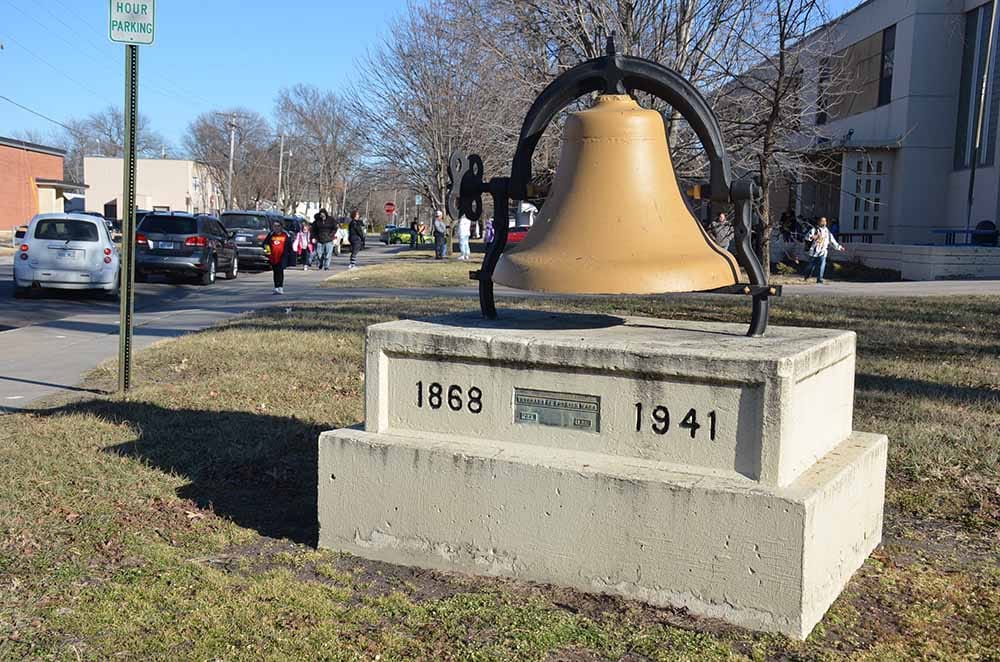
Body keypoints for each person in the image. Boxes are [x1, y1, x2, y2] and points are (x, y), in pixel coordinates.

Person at [803, 216, 845, 283]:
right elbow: (807, 237)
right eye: (822, 221)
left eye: (825, 221)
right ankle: (807, 276)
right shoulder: (814, 230)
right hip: (813, 252)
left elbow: (832, 241)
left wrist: (839, 247)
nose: (824, 223)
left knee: (822, 265)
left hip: (823, 251)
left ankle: (820, 279)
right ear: (819, 222)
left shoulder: (827, 232)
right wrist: (814, 237)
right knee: (811, 266)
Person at [262, 219, 290, 294]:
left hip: (282, 256)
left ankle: (280, 287)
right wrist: (268, 252)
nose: (276, 228)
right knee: (275, 272)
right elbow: (265, 244)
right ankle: (276, 287)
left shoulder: (285, 235)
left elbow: (289, 246)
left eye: (278, 226)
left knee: (280, 271)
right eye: (274, 226)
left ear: (281, 227)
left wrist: (288, 256)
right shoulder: (271, 235)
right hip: (273, 257)